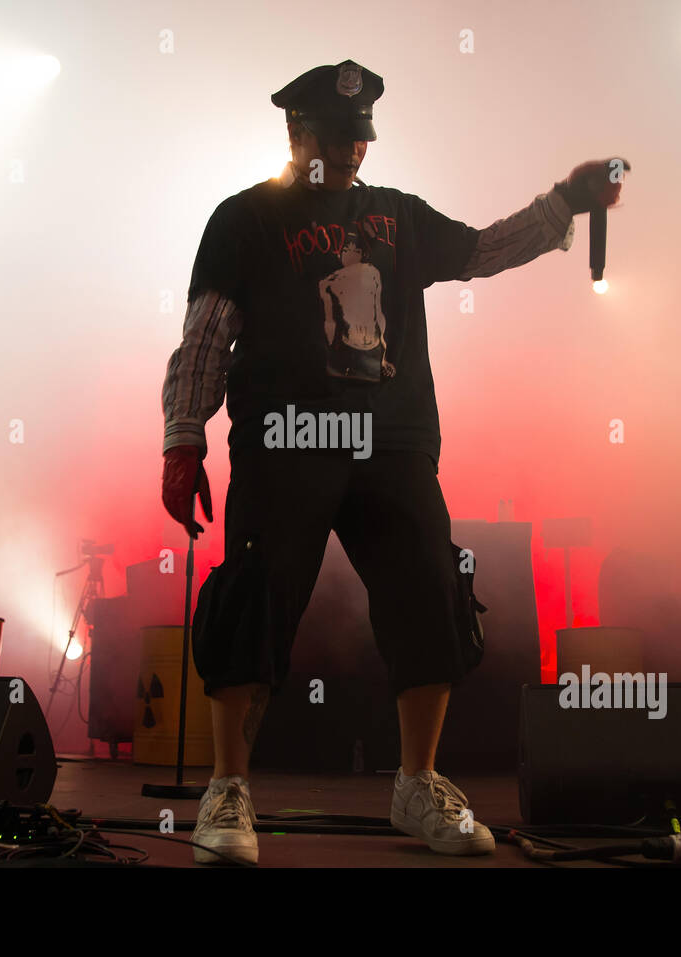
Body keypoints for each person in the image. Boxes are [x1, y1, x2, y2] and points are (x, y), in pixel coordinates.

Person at [161, 58, 627, 865]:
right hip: (285, 438)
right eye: (337, 136)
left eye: (361, 137)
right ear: (296, 130)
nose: (352, 151)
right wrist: (182, 436)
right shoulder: (244, 219)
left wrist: (566, 201)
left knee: (430, 589)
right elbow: (207, 332)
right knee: (255, 595)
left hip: (394, 439)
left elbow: (482, 249)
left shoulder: (397, 217)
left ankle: (417, 781)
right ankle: (228, 787)